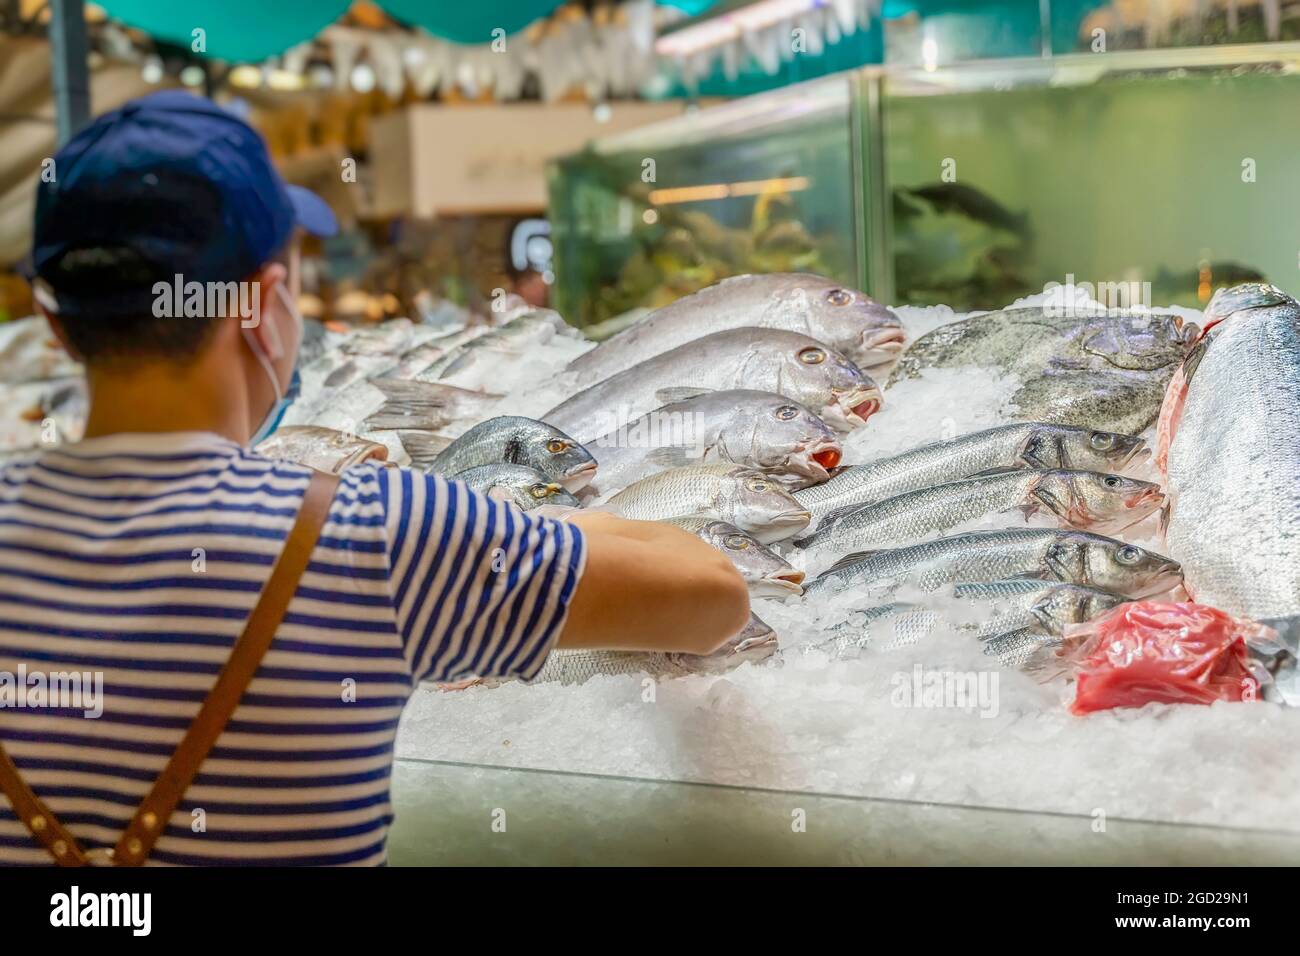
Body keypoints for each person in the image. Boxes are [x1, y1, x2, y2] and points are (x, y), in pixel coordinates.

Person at [0, 92, 749, 866]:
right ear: (263, 306)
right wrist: (544, 529)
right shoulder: (375, 534)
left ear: (57, 326)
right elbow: (712, 597)